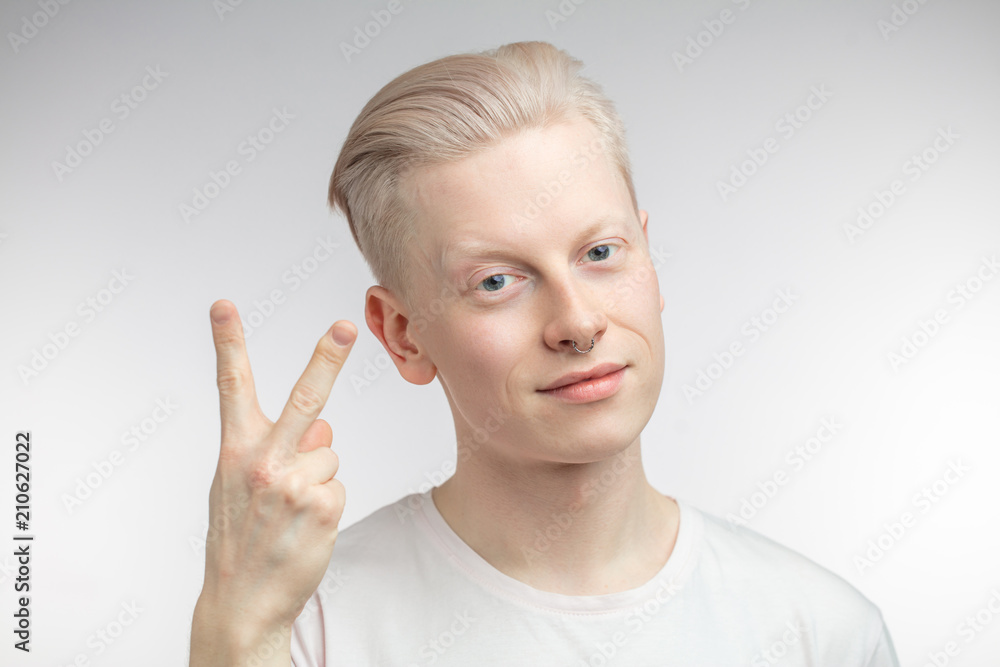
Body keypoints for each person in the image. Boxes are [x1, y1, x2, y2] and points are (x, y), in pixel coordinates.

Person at [189, 41, 899, 666]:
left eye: (599, 252)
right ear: (404, 333)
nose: (578, 322)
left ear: (648, 256)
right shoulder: (308, 629)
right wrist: (238, 630)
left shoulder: (823, 634)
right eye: (497, 281)